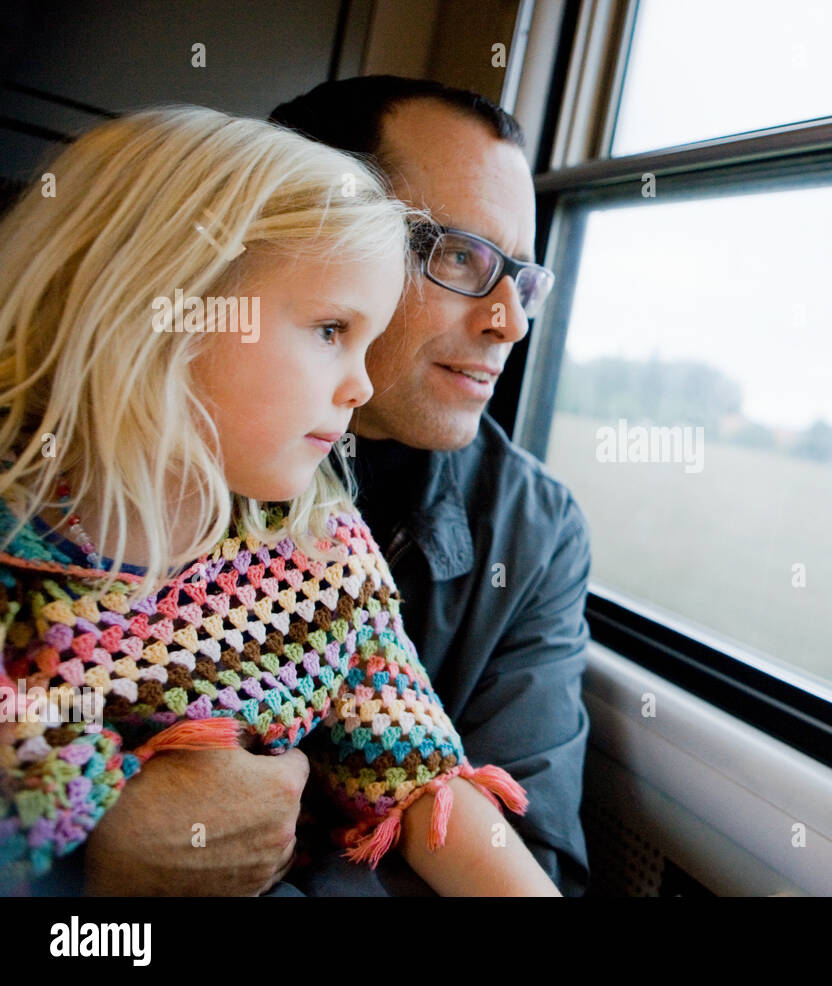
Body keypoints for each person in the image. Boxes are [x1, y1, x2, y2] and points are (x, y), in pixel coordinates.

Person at [0, 104, 561, 897]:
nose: (360, 384)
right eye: (332, 330)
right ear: (165, 307)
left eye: (366, 343)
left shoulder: (320, 554)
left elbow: (425, 783)